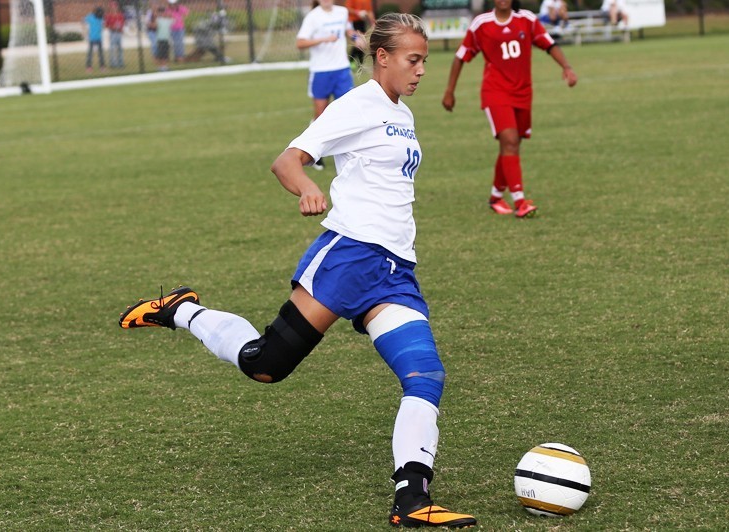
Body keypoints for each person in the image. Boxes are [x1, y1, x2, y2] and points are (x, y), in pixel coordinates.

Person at [118, 13, 477, 529]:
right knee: (266, 364)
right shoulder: (356, 105)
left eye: (424, 60)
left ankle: (412, 499)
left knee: (425, 375)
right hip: (349, 258)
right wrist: (308, 188)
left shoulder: (402, 112)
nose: (421, 71)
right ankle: (182, 311)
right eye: (413, 60)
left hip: (394, 270)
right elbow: (288, 160)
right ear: (382, 57)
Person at [442, 0, 577, 218]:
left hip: (523, 94)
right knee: (510, 141)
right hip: (495, 92)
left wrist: (567, 68)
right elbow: (460, 57)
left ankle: (496, 197)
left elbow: (549, 44)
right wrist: (450, 91)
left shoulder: (527, 20)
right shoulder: (481, 24)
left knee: (510, 146)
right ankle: (520, 201)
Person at [296, 0, 361, 170]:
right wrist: (323, 39)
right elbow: (300, 43)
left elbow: (348, 30)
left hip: (342, 70)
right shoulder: (312, 17)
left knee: (348, 112)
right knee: (321, 116)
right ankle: (314, 153)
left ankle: (350, 153)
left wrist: (356, 38)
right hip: (321, 71)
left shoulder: (342, 12)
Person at [345, 0, 375, 67]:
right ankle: (351, 61)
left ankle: (360, 64)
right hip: (353, 22)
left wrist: (373, 23)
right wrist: (357, 12)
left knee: (363, 43)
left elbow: (369, 11)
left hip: (361, 23)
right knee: (359, 43)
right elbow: (347, 9)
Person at [84, 6, 106, 72]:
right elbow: (83, 21)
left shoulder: (101, 17)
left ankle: (102, 66)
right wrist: (84, 32)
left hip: (99, 38)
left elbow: (103, 25)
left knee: (100, 53)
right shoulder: (90, 16)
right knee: (90, 54)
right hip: (91, 38)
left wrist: (101, 28)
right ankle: (89, 67)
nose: (100, 14)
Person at [105, 1, 125, 68]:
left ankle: (121, 62)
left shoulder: (120, 15)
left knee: (120, 49)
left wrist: (121, 29)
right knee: (112, 49)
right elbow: (106, 25)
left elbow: (122, 23)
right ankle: (113, 63)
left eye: (115, 6)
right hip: (112, 33)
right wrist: (112, 27)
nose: (114, 8)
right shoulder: (108, 15)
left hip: (119, 32)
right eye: (112, 7)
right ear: (110, 8)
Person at [153, 5, 174, 71]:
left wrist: (168, 14)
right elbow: (155, 26)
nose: (162, 13)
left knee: (166, 54)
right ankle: (161, 66)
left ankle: (164, 66)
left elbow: (174, 19)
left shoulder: (168, 20)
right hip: (160, 39)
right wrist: (156, 16)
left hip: (166, 39)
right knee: (161, 53)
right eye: (160, 12)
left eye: (163, 12)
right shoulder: (158, 20)